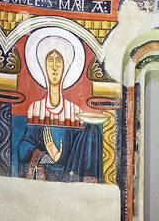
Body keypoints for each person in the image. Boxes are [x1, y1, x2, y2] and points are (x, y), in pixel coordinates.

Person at [17, 44, 101, 181]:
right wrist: (49, 157)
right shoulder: (36, 108)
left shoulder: (75, 111)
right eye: (50, 60)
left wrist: (59, 156)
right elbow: (23, 149)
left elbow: (80, 154)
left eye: (59, 61)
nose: (54, 67)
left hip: (70, 176)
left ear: (65, 67)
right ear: (43, 67)